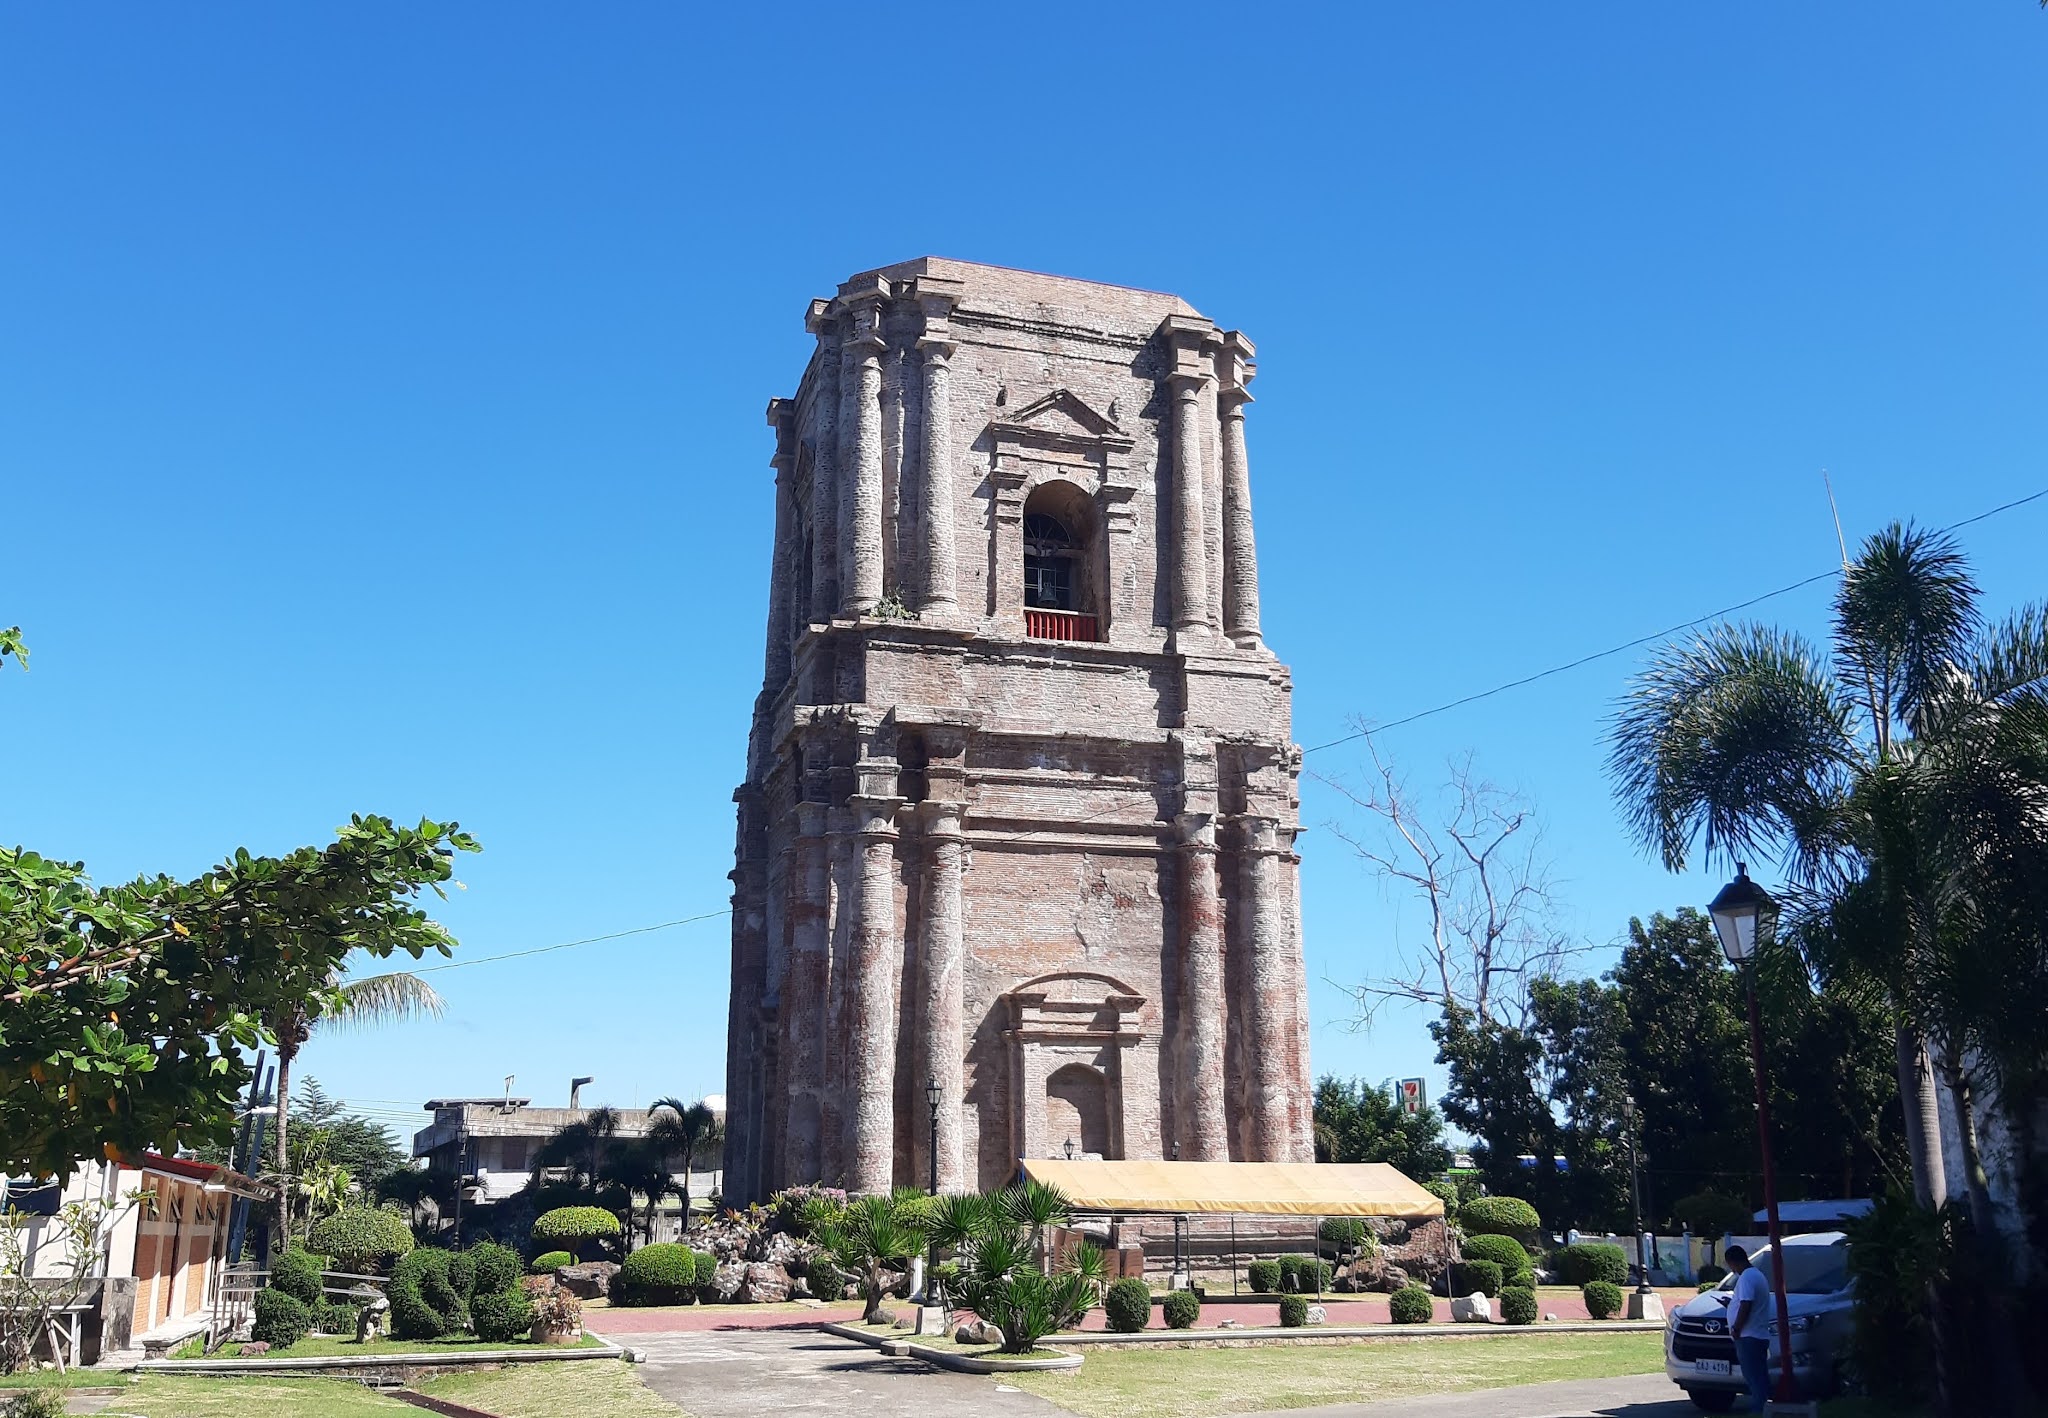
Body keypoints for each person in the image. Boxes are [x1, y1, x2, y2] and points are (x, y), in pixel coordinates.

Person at [1724, 1244, 1772, 1412]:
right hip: (1757, 1333)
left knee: (1753, 1377)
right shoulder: (1757, 1275)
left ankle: (1759, 1409)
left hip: (1748, 1335)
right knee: (1759, 1375)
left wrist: (1736, 1327)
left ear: (1732, 1262)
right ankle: (1764, 1408)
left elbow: (1746, 1304)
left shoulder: (1746, 1277)